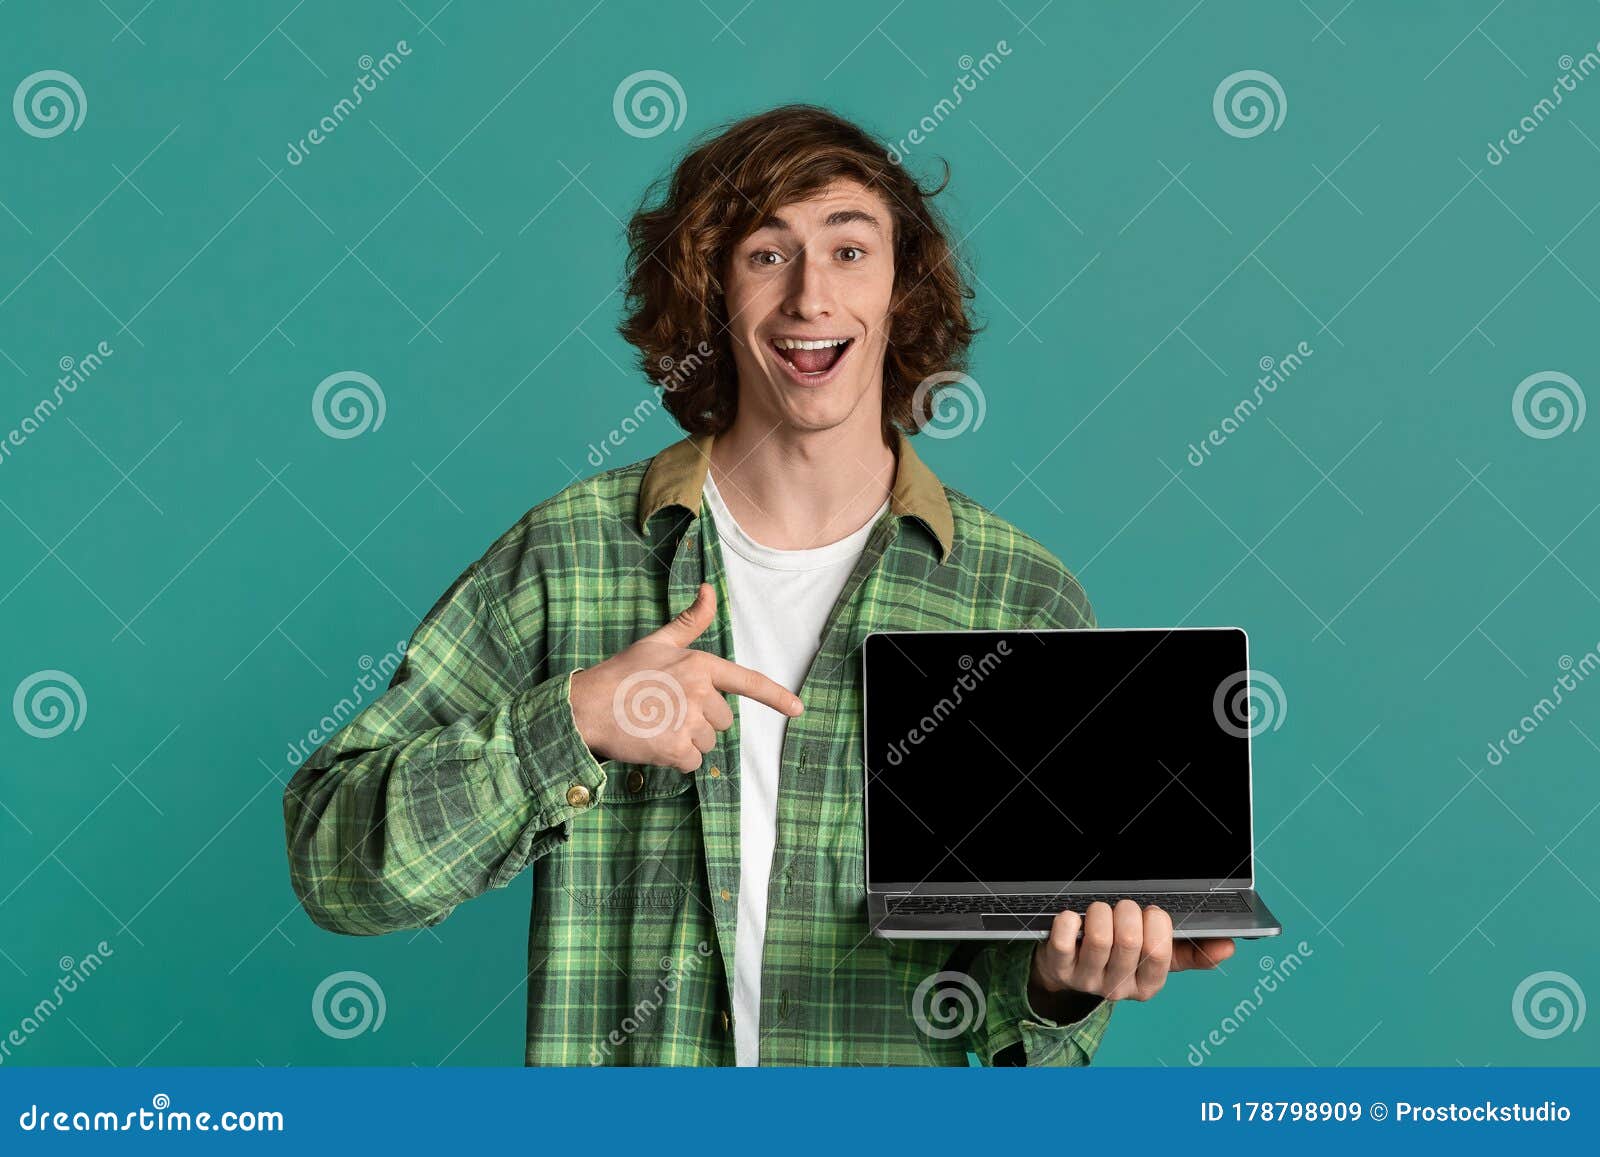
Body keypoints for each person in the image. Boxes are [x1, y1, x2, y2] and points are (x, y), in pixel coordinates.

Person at [282, 104, 1234, 1067]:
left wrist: (1057, 984)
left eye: (850, 250)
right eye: (767, 255)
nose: (811, 297)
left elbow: (1010, 1030)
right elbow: (336, 870)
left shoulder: (1017, 598)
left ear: (901, 286)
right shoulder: (569, 555)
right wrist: (571, 720)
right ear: (711, 293)